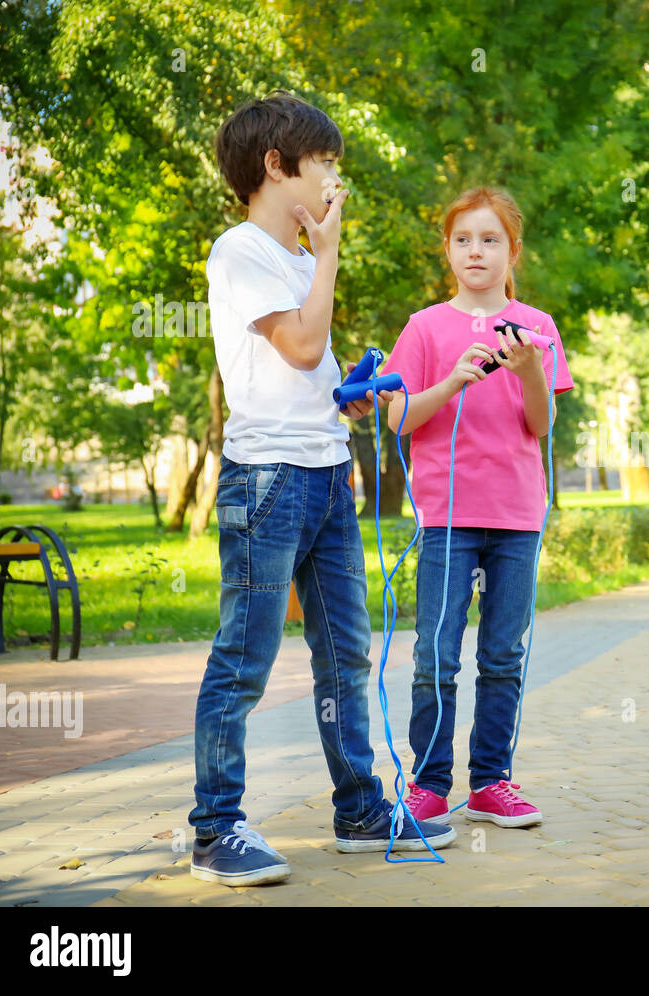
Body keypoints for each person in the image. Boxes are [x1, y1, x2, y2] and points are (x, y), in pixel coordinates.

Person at [190, 91, 455, 887]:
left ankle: (360, 807)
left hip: (327, 477)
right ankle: (215, 827)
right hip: (267, 482)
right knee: (246, 656)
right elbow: (301, 346)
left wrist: (353, 392)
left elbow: (311, 372)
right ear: (277, 166)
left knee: (346, 656)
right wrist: (329, 251)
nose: (335, 182)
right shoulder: (241, 250)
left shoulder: (300, 260)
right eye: (326, 165)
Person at [383, 186, 573, 829]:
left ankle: (492, 782)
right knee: (437, 651)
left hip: (517, 515)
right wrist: (452, 381)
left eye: (491, 239)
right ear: (447, 250)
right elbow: (399, 418)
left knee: (503, 654)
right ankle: (429, 784)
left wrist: (526, 373)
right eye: (463, 239)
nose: (476, 251)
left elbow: (541, 426)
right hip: (445, 517)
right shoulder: (424, 326)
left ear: (513, 250)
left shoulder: (538, 328)